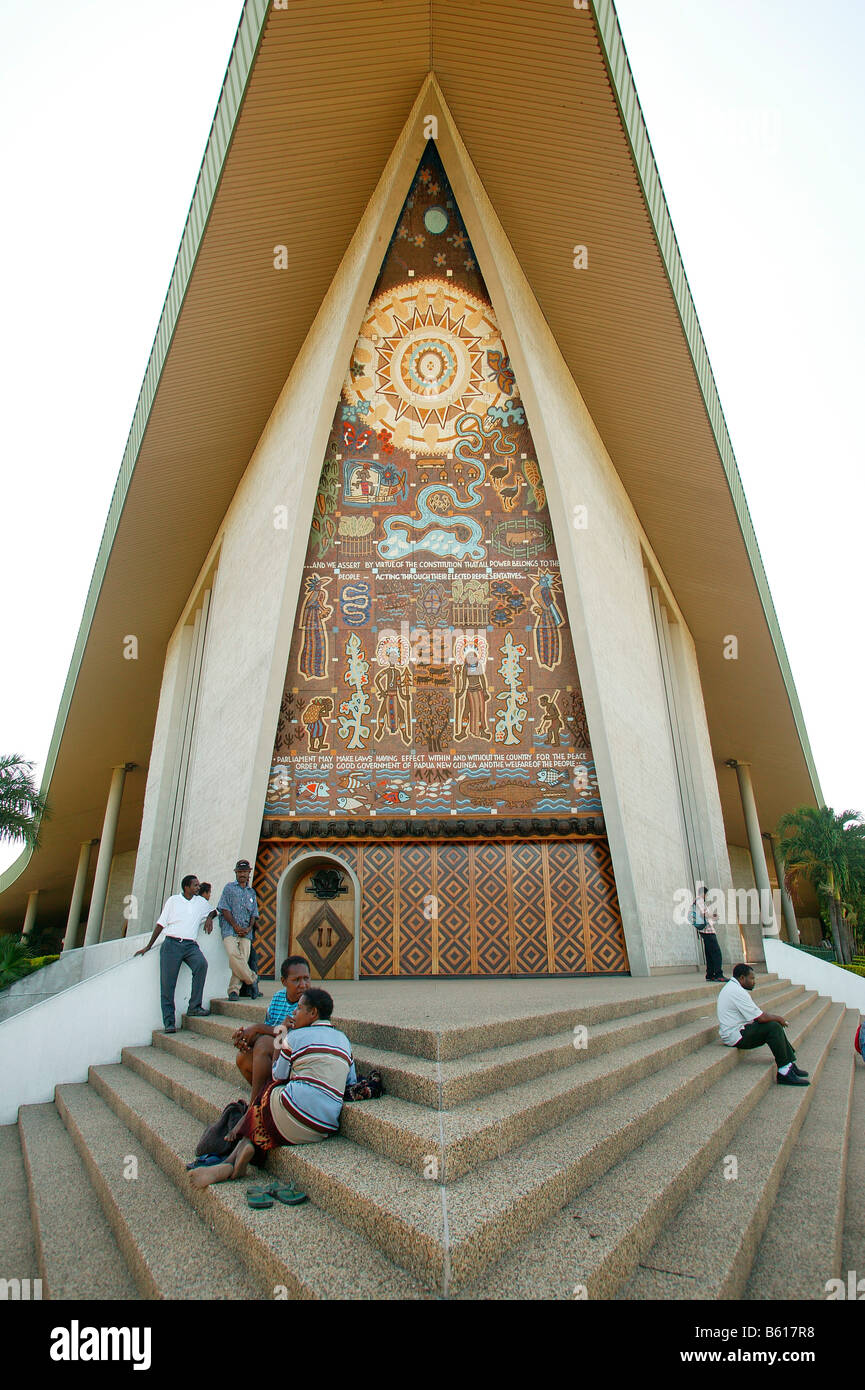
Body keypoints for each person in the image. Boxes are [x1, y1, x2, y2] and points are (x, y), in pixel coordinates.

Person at [189, 987, 355, 1190]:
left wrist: (281, 1038)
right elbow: (351, 1081)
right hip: (324, 1127)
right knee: (274, 1107)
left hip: (294, 1115)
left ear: (313, 1013)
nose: (294, 1013)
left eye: (299, 1009)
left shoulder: (293, 1037)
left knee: (267, 1091)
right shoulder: (344, 1040)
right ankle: (245, 1148)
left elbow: (277, 1075)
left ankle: (227, 1162)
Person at [135, 874, 214, 1033]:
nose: (198, 887)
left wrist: (209, 918)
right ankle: (169, 1022)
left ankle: (194, 1006)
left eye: (198, 885)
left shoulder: (200, 902)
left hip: (190, 945)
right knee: (168, 985)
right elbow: (160, 924)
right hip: (171, 945)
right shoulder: (173, 901)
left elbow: (214, 911)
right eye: (195, 885)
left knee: (201, 965)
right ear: (186, 887)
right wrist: (149, 946)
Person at [717, 963, 809, 1086]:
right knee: (774, 1027)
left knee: (772, 1024)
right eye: (752, 978)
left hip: (740, 1029)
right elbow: (760, 1018)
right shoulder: (736, 991)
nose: (754, 982)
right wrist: (779, 1019)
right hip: (735, 1036)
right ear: (742, 978)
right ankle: (784, 1072)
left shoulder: (733, 988)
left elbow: (757, 1016)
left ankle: (789, 1064)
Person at [232, 956, 311, 1097]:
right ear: (284, 982)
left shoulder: (310, 1002)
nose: (303, 985)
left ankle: (254, 1106)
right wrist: (246, 1038)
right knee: (242, 1057)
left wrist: (257, 1028)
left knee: (263, 1044)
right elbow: (272, 1031)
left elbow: (290, 1035)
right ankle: (266, 1097)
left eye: (306, 978)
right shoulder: (278, 997)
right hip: (277, 1056)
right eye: (296, 980)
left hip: (297, 1060)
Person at [217, 859, 260, 1001]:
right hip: (230, 929)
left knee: (242, 958)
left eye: (245, 872)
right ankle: (253, 979)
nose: (242, 874)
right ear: (236, 873)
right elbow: (224, 908)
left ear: (249, 873)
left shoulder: (251, 892)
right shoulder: (229, 888)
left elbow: (254, 913)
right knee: (234, 955)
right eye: (240, 872)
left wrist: (248, 928)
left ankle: (234, 991)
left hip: (246, 932)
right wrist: (235, 926)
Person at [689, 882, 728, 982]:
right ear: (704, 893)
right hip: (708, 931)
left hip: (704, 931)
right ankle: (718, 974)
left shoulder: (696, 901)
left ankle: (710, 974)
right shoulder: (700, 900)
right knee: (716, 953)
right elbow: (703, 914)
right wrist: (713, 916)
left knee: (709, 953)